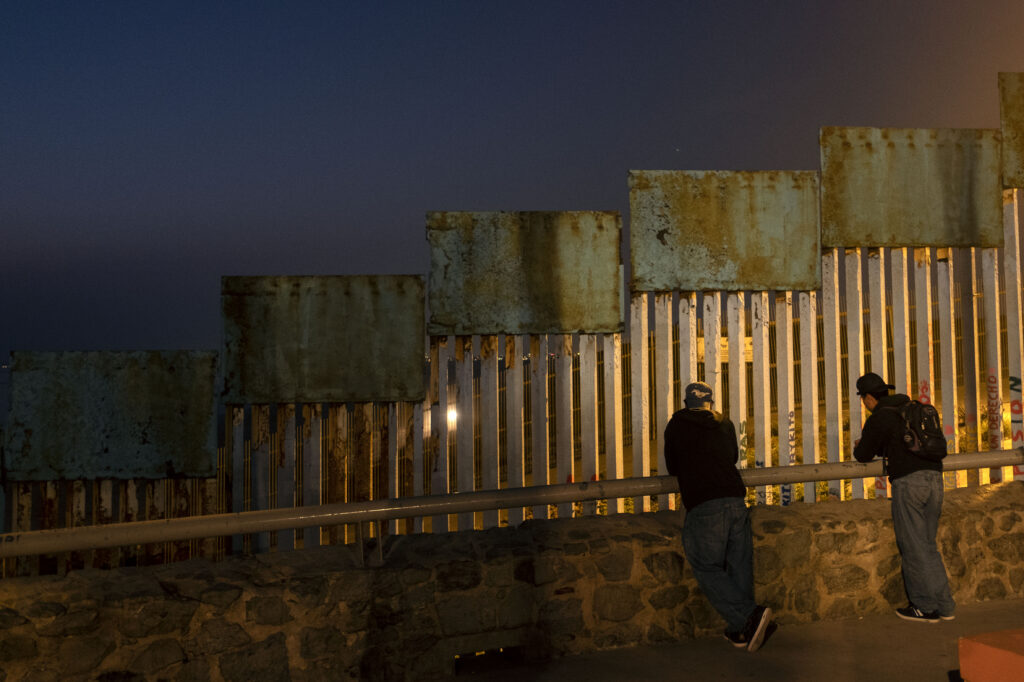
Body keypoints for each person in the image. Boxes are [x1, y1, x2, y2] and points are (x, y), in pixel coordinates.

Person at [665, 381, 773, 651]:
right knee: (739, 566)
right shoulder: (724, 423)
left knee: (705, 565)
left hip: (705, 504)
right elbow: (732, 456)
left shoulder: (676, 425)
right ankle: (741, 631)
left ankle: (749, 617)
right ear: (710, 403)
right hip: (735, 500)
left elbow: (672, 466)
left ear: (685, 403)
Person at [852, 372, 956, 623]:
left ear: (867, 398)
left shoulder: (880, 418)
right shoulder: (911, 408)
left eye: (863, 399)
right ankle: (945, 606)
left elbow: (863, 455)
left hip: (909, 484)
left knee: (912, 547)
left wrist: (859, 445)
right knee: (928, 545)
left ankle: (924, 607)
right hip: (934, 479)